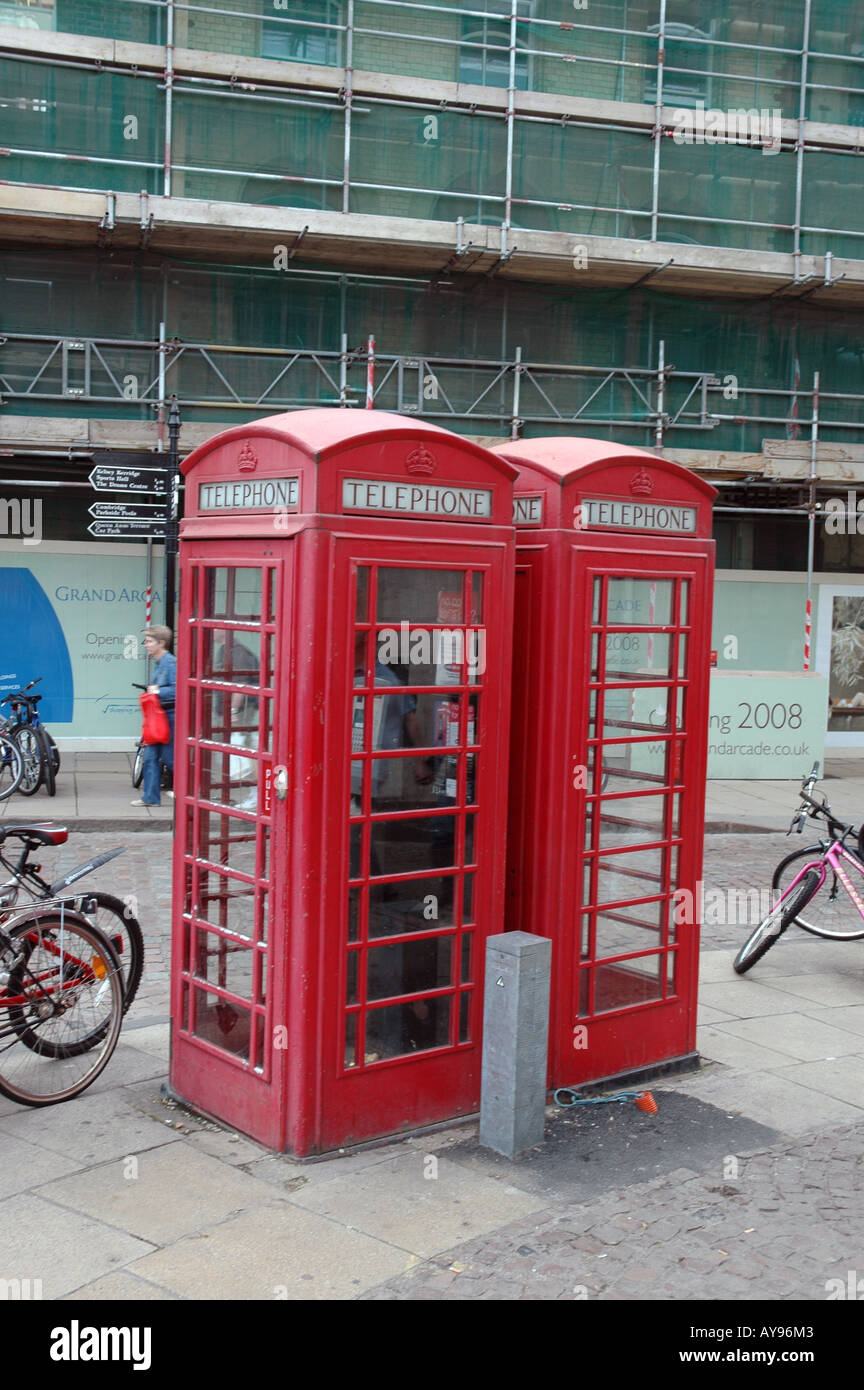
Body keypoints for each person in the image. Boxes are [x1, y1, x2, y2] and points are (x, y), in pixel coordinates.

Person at [131, 625, 176, 807]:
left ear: (162, 643)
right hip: (157, 716)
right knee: (149, 758)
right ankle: (150, 798)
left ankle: (191, 791)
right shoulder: (158, 663)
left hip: (169, 717)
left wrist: (156, 690)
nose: (146, 645)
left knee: (170, 758)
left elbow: (177, 690)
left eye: (149, 641)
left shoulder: (171, 663)